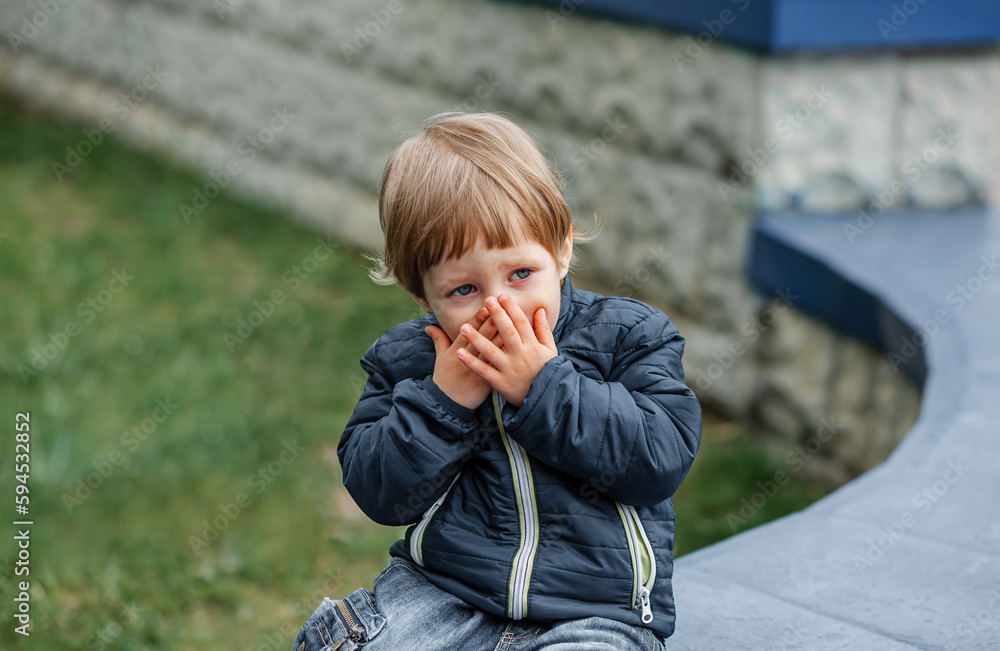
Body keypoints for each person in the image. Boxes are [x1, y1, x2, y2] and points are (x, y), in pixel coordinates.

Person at [293, 112, 701, 651]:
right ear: (423, 298)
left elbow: (659, 458)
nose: (497, 305)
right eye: (463, 289)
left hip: (593, 612)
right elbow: (380, 494)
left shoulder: (629, 335)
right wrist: (443, 403)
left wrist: (544, 387)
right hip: (443, 594)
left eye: (521, 274)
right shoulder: (410, 360)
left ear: (562, 250)